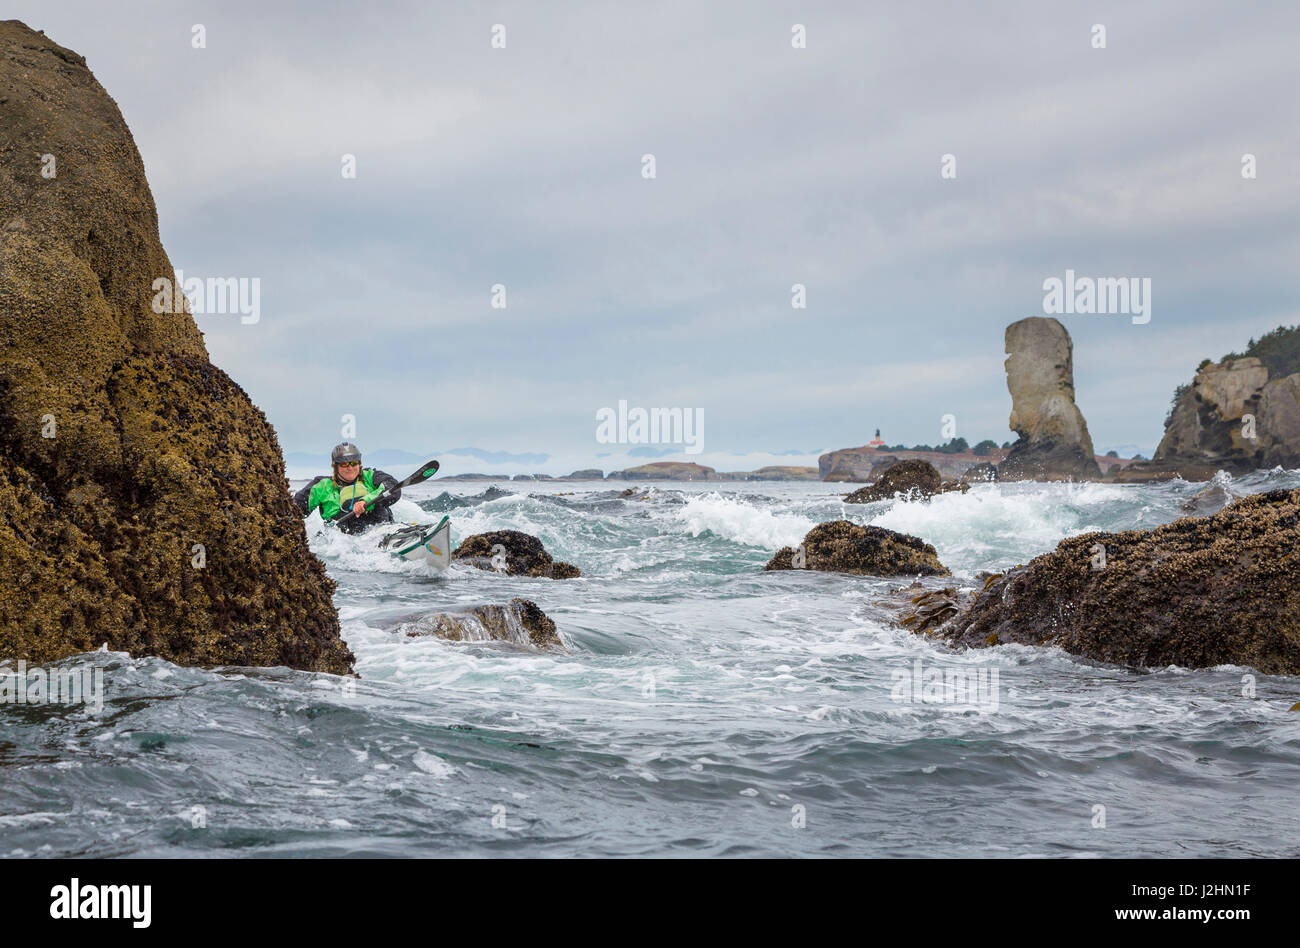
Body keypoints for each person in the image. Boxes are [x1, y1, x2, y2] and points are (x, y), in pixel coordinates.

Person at [294, 442, 401, 534]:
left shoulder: (370, 476)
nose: (350, 468)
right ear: (335, 466)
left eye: (354, 463)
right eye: (344, 464)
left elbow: (393, 488)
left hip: (382, 531)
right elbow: (294, 510)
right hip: (343, 544)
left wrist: (365, 501)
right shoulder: (321, 486)